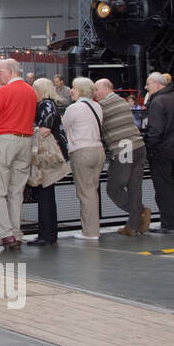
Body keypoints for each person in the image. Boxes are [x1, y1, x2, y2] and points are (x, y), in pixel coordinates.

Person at [0, 58, 37, 249]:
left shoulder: (4, 91)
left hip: (5, 140)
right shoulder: (31, 91)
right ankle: (16, 232)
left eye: (0, 70)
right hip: (26, 141)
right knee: (16, 190)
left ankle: (5, 234)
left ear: (11, 72)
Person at [94, 79, 148, 235]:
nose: (95, 93)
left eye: (97, 89)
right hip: (138, 146)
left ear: (106, 88)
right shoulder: (122, 102)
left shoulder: (103, 106)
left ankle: (139, 213)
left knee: (113, 187)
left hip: (125, 148)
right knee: (134, 187)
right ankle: (133, 225)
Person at [144, 71, 174, 233]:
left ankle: (169, 223)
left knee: (163, 189)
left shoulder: (158, 101)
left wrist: (148, 149)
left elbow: (155, 130)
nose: (146, 87)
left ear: (157, 84)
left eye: (148, 84)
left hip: (161, 151)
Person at [62, 77, 105, 240]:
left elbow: (64, 127)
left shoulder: (75, 108)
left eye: (73, 87)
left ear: (80, 90)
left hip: (81, 151)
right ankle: (93, 229)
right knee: (92, 191)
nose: (71, 90)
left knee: (85, 193)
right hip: (98, 150)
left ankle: (90, 231)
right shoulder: (97, 106)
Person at [26, 78, 68, 246]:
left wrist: (28, 130)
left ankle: (47, 234)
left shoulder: (46, 105)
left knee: (45, 195)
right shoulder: (51, 105)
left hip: (47, 156)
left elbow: (44, 130)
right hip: (51, 154)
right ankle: (47, 233)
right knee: (47, 195)